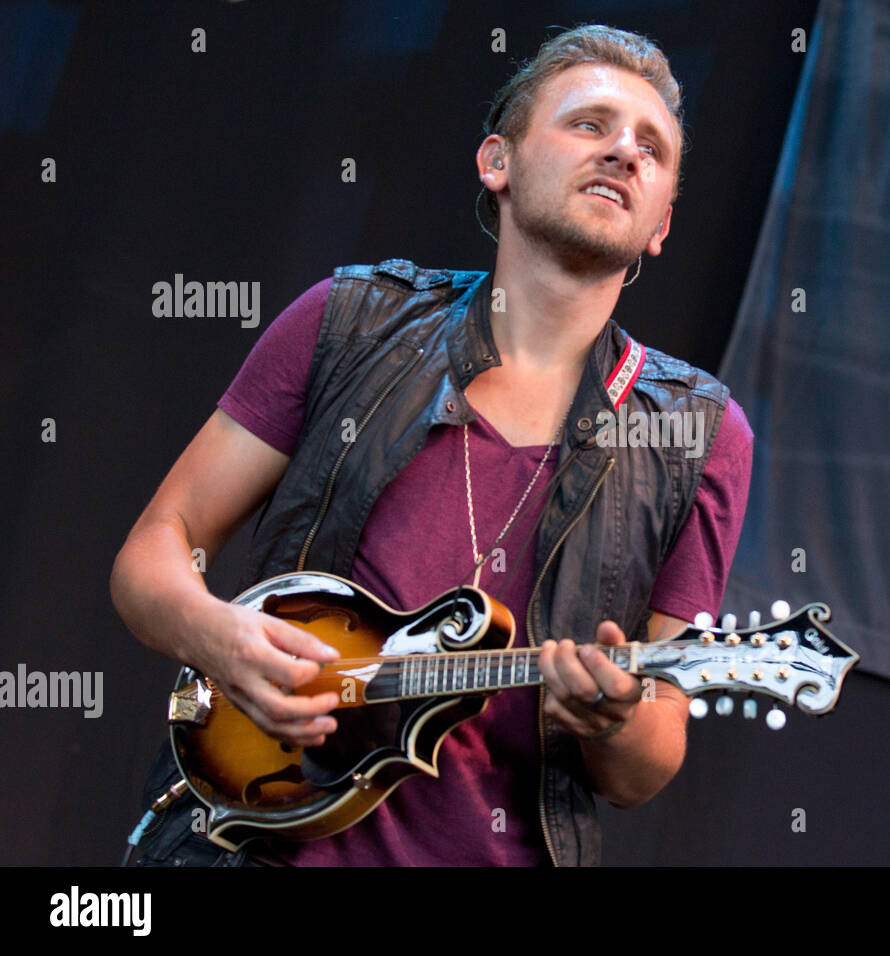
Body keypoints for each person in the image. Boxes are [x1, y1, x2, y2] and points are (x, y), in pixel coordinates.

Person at [111, 24, 752, 867]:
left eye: (651, 147)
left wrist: (620, 715)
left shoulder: (701, 438)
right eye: (589, 125)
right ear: (499, 162)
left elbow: (646, 763)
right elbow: (155, 550)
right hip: (244, 843)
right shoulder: (349, 321)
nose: (624, 153)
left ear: (662, 221)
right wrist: (215, 636)